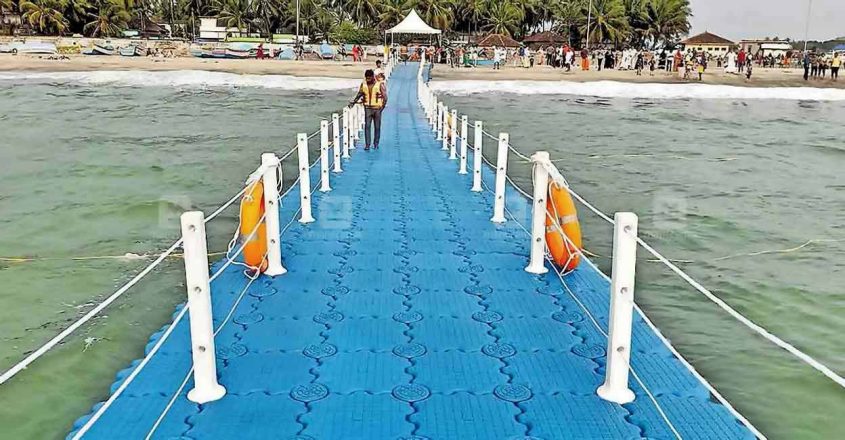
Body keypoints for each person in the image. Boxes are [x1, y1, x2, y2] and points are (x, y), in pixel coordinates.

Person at [349, 69, 387, 151]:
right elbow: (359, 94)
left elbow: (385, 97)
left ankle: (376, 144)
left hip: (377, 109)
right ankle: (367, 145)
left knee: (377, 127)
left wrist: (382, 108)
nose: (368, 80)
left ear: (373, 77)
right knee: (367, 126)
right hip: (368, 108)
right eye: (367, 78)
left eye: (369, 78)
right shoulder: (363, 85)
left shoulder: (380, 85)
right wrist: (353, 102)